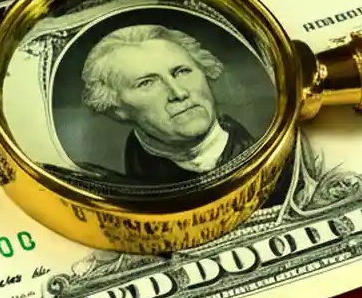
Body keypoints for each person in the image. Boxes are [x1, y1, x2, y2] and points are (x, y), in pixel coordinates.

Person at [80, 24, 257, 185]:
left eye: (182, 72)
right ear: (116, 110)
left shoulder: (249, 152)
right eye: (147, 83)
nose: (179, 93)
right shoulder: (138, 162)